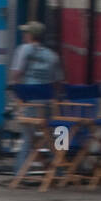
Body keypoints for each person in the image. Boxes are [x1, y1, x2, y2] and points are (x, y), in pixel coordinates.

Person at [10, 21, 64, 172]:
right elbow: (58, 82)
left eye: (25, 32)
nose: (24, 35)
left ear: (29, 35)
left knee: (28, 137)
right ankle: (58, 168)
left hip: (30, 103)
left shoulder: (24, 49)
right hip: (47, 103)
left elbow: (17, 73)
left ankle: (20, 171)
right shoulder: (53, 55)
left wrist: (17, 92)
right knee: (58, 133)